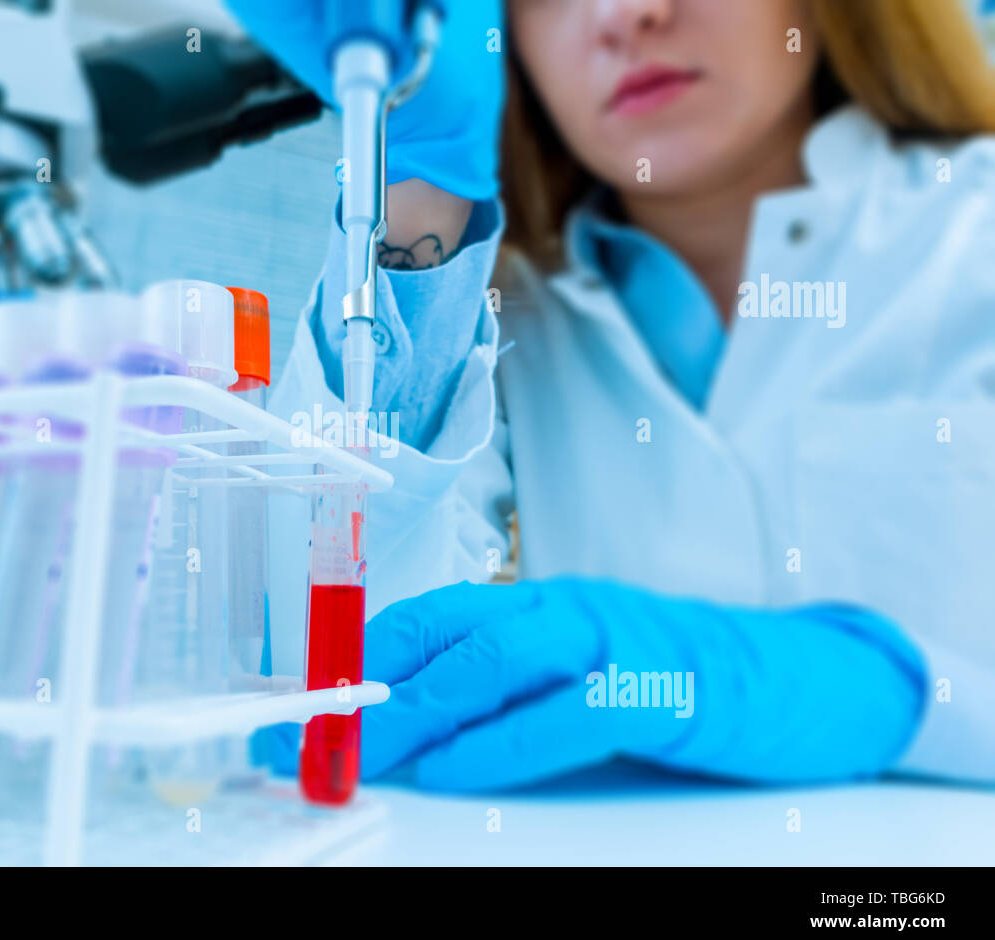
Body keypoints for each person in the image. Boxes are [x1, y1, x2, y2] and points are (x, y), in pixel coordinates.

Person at [230, 0, 995, 790]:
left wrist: (891, 692)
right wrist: (420, 184)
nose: (627, 15)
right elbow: (340, 673)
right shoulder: (513, 306)